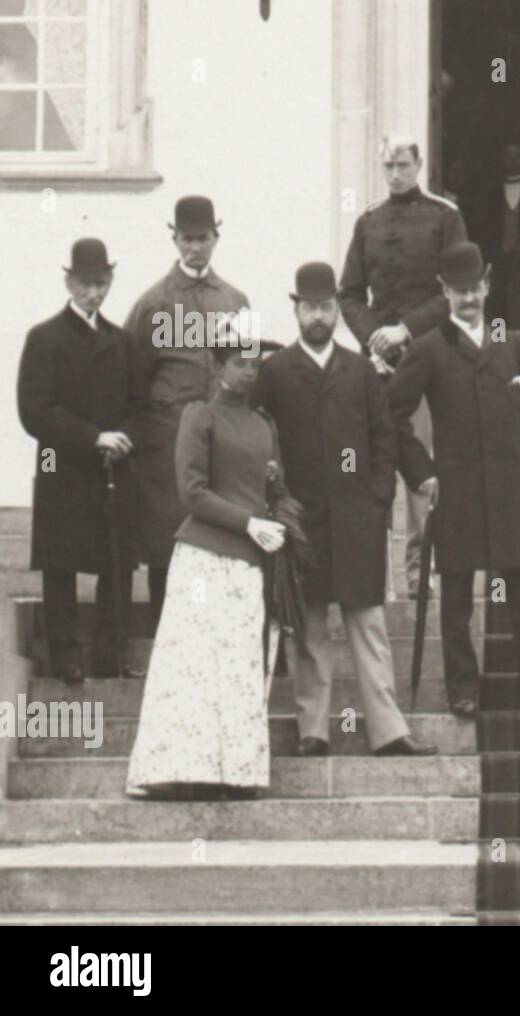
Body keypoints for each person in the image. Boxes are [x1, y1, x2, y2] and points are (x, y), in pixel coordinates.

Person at [386, 242, 520, 718]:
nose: (469, 299)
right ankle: (463, 690)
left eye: (475, 289)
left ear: (488, 285)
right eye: (459, 292)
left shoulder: (509, 343)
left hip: (509, 489)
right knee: (456, 595)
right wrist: (422, 473)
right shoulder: (430, 348)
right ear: (445, 293)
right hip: (455, 492)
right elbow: (390, 416)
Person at [254, 263, 436, 757]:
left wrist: (378, 496)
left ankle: (388, 730)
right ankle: (312, 729)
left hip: (358, 518)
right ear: (296, 309)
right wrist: (279, 503)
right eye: (310, 306)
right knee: (310, 628)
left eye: (327, 306)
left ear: (337, 310)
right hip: (304, 521)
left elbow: (384, 436)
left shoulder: (361, 372)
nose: (318, 315)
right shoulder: (273, 374)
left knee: (369, 626)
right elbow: (261, 440)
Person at [125, 336, 286, 801]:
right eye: (239, 363)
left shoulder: (263, 424)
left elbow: (276, 488)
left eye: (255, 364)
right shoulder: (200, 416)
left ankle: (234, 772)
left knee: (238, 668)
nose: (249, 373)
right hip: (203, 560)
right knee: (192, 666)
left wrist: (276, 509)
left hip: (249, 565)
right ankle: (173, 770)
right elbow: (192, 492)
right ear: (218, 367)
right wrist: (248, 522)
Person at [338, 134, 468, 598]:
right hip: (374, 362)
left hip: (427, 360)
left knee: (420, 467)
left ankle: (420, 573)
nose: (395, 174)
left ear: (419, 164)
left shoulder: (445, 217)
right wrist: (373, 338)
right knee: (369, 464)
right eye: (388, 166)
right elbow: (348, 293)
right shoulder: (368, 221)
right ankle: (377, 575)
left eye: (403, 165)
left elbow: (453, 291)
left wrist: (405, 332)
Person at [17, 238, 143, 682]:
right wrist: (94, 438)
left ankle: (110, 655)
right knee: (60, 562)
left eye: (102, 284)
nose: (94, 294)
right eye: (87, 284)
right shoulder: (44, 338)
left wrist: (123, 437)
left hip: (112, 469)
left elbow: (136, 402)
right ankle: (65, 655)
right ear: (69, 283)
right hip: (62, 467)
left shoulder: (121, 342)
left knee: (115, 561)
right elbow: (34, 410)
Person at [125, 196, 250, 626]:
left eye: (203, 238)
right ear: (174, 239)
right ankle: (166, 637)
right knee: (169, 536)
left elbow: (248, 372)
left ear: (216, 237)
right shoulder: (154, 304)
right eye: (187, 239)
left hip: (222, 438)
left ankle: (216, 634)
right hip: (167, 441)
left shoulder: (234, 301)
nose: (195, 247)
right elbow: (134, 379)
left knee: (219, 535)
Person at [464, 140, 520, 322]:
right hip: (498, 256)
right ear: (502, 160)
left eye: (517, 156)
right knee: (496, 303)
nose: (512, 161)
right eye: (508, 156)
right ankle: (498, 342)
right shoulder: (491, 192)